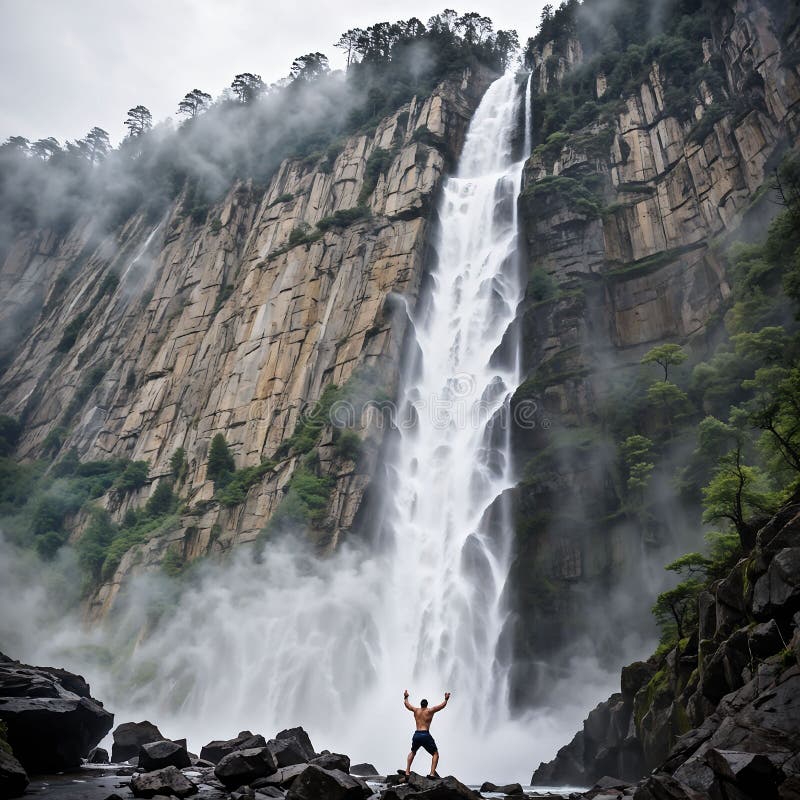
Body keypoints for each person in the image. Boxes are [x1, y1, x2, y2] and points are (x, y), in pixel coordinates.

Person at [402, 689, 450, 780]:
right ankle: (432, 774)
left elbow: (407, 705)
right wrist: (446, 699)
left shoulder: (416, 710)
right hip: (425, 735)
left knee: (413, 752)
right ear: (427, 705)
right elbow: (441, 706)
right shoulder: (430, 711)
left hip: (417, 734)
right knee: (435, 753)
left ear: (421, 705)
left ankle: (407, 771)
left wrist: (406, 697)